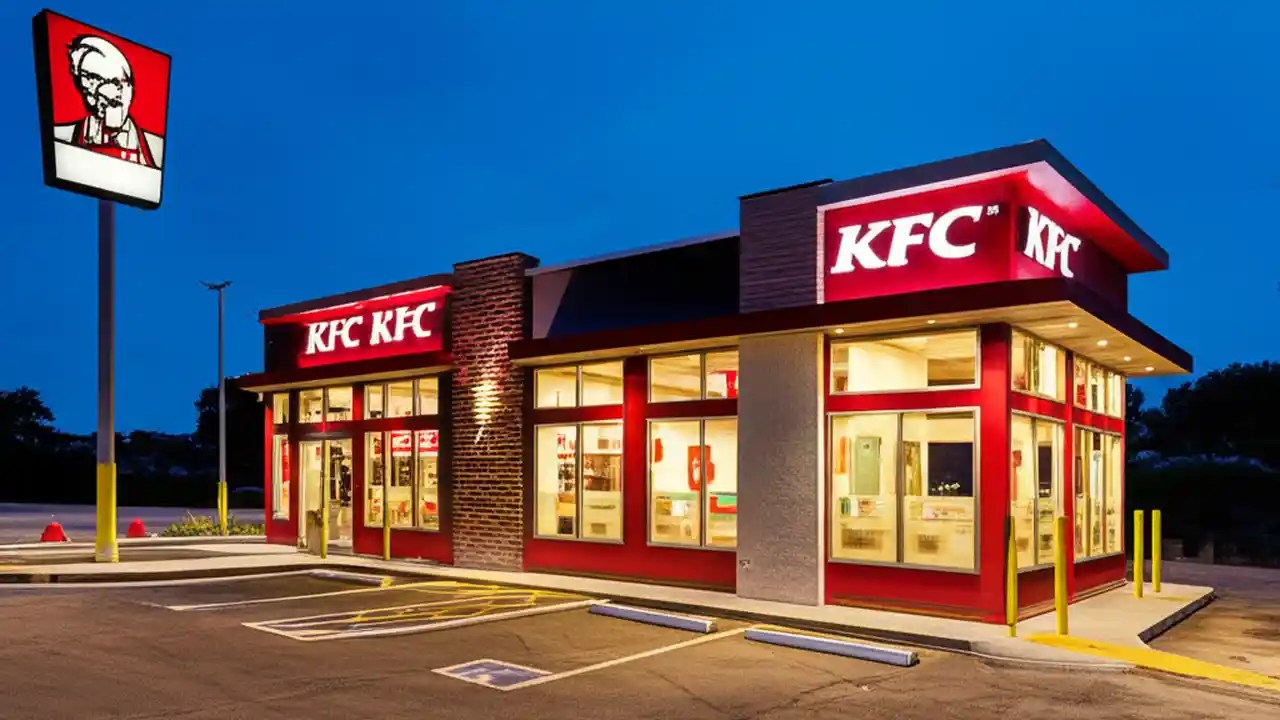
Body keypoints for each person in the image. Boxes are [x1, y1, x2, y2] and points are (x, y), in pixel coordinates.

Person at [52, 35, 164, 169]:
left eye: (98, 92)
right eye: (87, 92)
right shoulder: (60, 137)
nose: (90, 101)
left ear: (123, 87)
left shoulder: (156, 149)